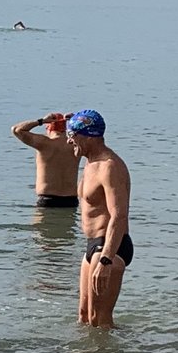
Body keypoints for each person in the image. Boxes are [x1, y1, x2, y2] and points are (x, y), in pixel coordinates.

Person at [67, 108, 132, 327]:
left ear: (89, 137)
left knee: (100, 320)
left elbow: (119, 215)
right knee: (85, 317)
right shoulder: (90, 161)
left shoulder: (109, 167)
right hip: (92, 244)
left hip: (110, 246)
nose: (69, 142)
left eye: (72, 137)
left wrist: (106, 259)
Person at [12, 111, 81, 208]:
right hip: (71, 200)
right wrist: (77, 120)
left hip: (48, 199)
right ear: (65, 128)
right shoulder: (77, 144)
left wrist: (42, 121)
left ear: (48, 128)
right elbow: (94, 135)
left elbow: (16, 130)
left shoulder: (45, 143)